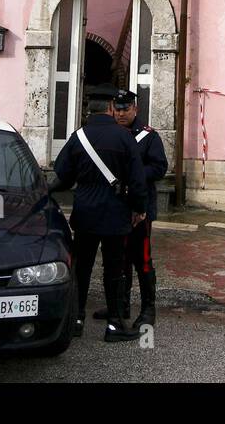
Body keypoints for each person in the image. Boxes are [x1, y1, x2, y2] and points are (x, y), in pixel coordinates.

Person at [49, 85, 146, 342]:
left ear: (88, 110)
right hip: (115, 213)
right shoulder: (125, 138)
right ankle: (114, 323)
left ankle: (77, 319)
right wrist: (139, 209)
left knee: (82, 267)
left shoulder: (78, 137)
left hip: (85, 212)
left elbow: (62, 174)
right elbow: (137, 181)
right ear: (111, 108)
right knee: (114, 269)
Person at [92, 89, 168, 329]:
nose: (121, 114)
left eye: (126, 109)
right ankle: (120, 304)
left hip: (140, 208)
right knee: (117, 258)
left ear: (135, 109)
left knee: (141, 258)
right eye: (118, 109)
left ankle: (148, 309)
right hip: (116, 208)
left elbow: (159, 167)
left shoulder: (148, 137)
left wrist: (133, 176)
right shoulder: (109, 134)